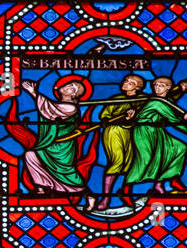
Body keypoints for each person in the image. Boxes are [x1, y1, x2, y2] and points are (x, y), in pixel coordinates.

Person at [11, 77, 98, 207]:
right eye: (68, 84)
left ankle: (88, 195)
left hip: (63, 147)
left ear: (74, 94)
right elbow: (48, 109)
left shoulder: (71, 108)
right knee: (31, 155)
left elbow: (50, 110)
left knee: (66, 172)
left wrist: (34, 93)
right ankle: (41, 188)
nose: (66, 86)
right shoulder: (57, 105)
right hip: (49, 144)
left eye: (71, 87)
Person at [127, 76, 187, 192]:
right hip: (143, 132)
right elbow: (173, 120)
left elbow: (173, 114)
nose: (157, 88)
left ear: (168, 88)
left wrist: (184, 117)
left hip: (157, 131)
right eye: (155, 85)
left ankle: (166, 181)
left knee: (179, 148)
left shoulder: (167, 101)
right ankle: (126, 190)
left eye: (161, 85)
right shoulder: (156, 102)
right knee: (144, 160)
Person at [96, 74, 149, 208]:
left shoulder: (143, 100)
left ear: (137, 87)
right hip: (114, 131)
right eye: (125, 80)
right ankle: (105, 198)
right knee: (117, 162)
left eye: (129, 82)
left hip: (132, 132)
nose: (124, 83)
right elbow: (104, 116)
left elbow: (157, 105)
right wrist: (122, 118)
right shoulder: (115, 99)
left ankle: (126, 194)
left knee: (131, 163)